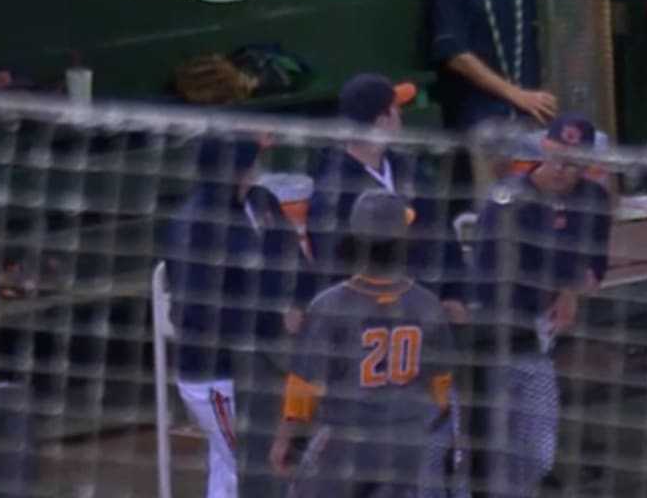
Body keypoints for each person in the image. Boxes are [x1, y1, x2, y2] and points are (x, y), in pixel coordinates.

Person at [271, 190, 459, 497]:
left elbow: (302, 387)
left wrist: (283, 440)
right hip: (406, 443)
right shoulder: (426, 304)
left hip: (344, 446)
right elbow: (441, 390)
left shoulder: (330, 304)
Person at [471, 113, 612, 497]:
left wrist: (571, 291)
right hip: (500, 342)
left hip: (543, 345)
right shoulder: (508, 200)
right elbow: (493, 282)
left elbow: (594, 269)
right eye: (553, 156)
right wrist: (559, 292)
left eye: (571, 161)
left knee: (538, 455)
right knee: (497, 452)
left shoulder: (593, 199)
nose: (558, 168)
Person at [165, 134, 297, 498]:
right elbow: (199, 312)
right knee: (251, 468)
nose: (260, 162)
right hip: (216, 376)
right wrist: (272, 319)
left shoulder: (260, 203)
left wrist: (296, 303)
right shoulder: (199, 226)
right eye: (253, 156)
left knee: (228, 470)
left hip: (257, 366)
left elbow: (291, 259)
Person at [296, 73, 467, 325]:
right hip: (371, 323)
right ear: (382, 121)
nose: (401, 116)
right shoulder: (333, 192)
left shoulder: (408, 169)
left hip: (429, 311)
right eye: (396, 109)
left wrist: (454, 295)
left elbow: (442, 234)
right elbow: (336, 271)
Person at [429, 0, 559, 202]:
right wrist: (515, 95)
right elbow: (455, 52)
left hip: (539, 106)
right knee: (494, 207)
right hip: (485, 113)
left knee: (544, 203)